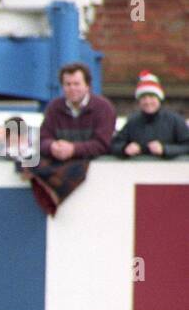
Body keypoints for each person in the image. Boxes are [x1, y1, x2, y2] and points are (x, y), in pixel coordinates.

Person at [24, 62, 117, 215]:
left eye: (77, 84)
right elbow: (42, 139)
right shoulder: (54, 107)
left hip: (95, 184)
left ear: (87, 86)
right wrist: (52, 146)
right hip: (59, 164)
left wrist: (73, 149)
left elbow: (102, 143)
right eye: (68, 84)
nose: (72, 88)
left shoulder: (104, 108)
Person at [110, 71, 189, 160]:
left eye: (151, 97)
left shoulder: (175, 120)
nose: (147, 102)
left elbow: (186, 145)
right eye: (143, 98)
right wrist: (125, 148)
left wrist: (165, 149)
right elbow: (114, 144)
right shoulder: (132, 121)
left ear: (159, 99)